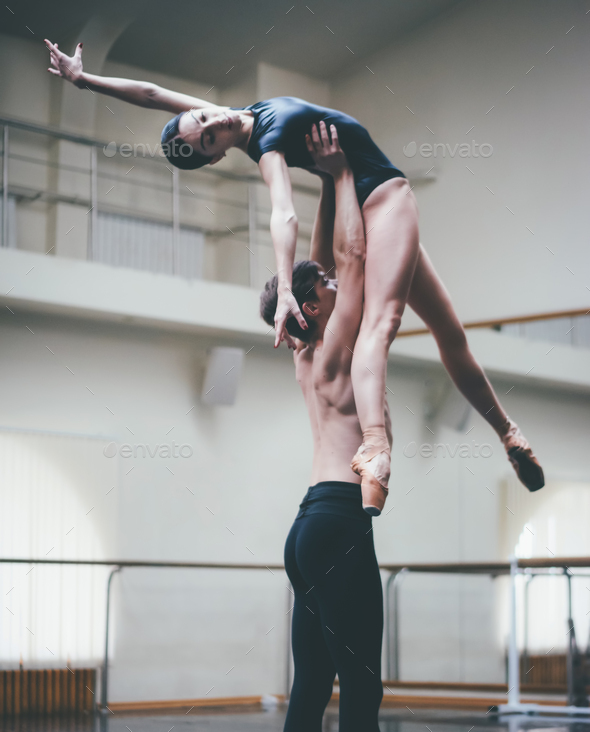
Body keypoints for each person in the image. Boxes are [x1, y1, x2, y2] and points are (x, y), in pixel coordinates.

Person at [45, 42, 545, 512]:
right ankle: (375, 446)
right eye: (209, 138)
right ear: (217, 155)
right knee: (382, 323)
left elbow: (153, 95)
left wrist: (85, 79)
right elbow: (283, 214)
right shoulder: (265, 144)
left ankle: (507, 431)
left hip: (362, 205)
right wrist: (285, 286)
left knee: (448, 331)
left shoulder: (244, 115)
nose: (212, 121)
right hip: (382, 199)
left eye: (201, 119)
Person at [260, 122, 391, 732]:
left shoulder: (306, 352)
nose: (336, 288)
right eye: (325, 290)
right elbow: (355, 262)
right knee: (362, 695)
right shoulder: (335, 346)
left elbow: (317, 265)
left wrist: (314, 182)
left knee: (311, 690)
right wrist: (342, 175)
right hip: (338, 522)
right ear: (313, 305)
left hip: (306, 528)